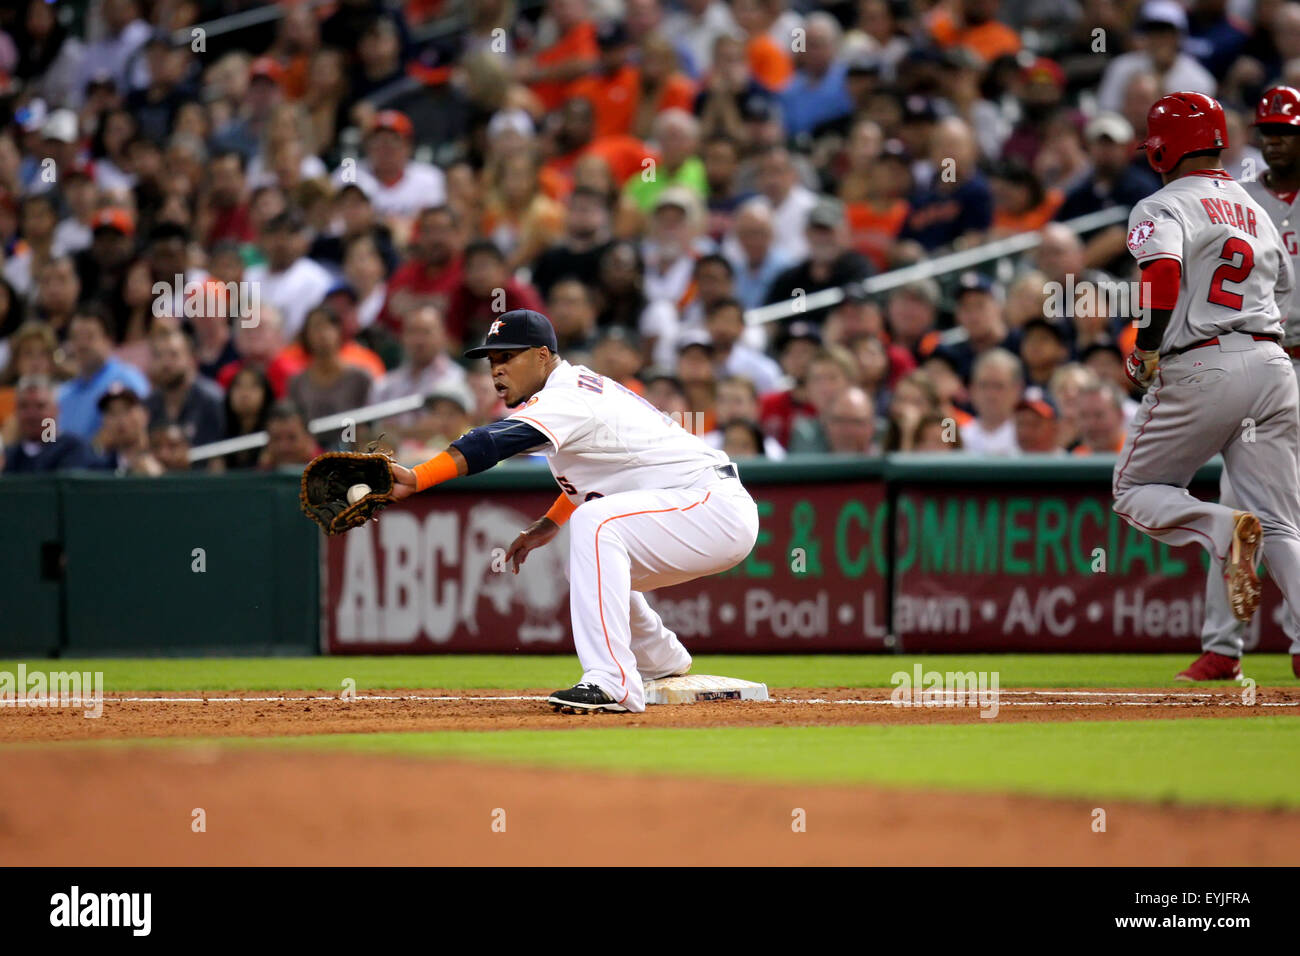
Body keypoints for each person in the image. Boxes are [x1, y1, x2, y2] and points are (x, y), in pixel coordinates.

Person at [387, 309, 759, 713]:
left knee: (595, 525)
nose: (497, 371)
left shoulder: (565, 396)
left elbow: (489, 443)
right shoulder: (572, 391)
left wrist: (418, 477)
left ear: (543, 355)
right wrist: (550, 522)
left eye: (508, 357)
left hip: (710, 505)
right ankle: (658, 658)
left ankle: (611, 682)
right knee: (588, 558)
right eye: (492, 361)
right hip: (696, 507)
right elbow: (607, 471)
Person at [1112, 92, 1300, 684]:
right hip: (1274, 365)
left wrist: (1145, 346)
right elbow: (1284, 291)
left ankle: (1221, 528)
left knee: (1134, 487)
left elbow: (1163, 272)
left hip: (1203, 363)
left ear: (1164, 148)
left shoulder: (1161, 203)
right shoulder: (1256, 206)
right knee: (1280, 521)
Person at [1188, 86, 1300, 681]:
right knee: (1238, 509)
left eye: (1288, 130)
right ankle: (1223, 647)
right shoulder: (1242, 199)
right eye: (1268, 130)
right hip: (1266, 363)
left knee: (1277, 515)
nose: (1276, 139)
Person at [57, 307, 151, 440]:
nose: (82, 344)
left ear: (108, 340)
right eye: (76, 337)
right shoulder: (62, 395)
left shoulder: (128, 380)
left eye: (89, 337)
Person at [3, 376, 101, 473]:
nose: (31, 414)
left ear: (56, 409)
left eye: (40, 406)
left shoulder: (73, 449)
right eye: (24, 406)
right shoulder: (9, 457)